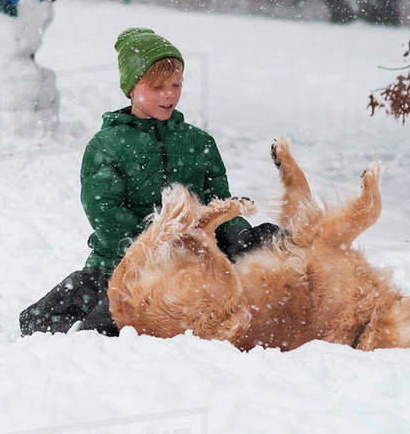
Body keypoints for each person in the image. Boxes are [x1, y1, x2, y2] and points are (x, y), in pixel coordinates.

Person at [19, 27, 278, 336]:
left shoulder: (198, 142)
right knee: (58, 322)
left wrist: (238, 235)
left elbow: (218, 203)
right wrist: (157, 246)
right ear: (131, 89)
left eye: (176, 84)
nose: (169, 94)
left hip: (196, 263)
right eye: (157, 86)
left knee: (268, 244)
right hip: (123, 264)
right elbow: (107, 216)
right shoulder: (107, 145)